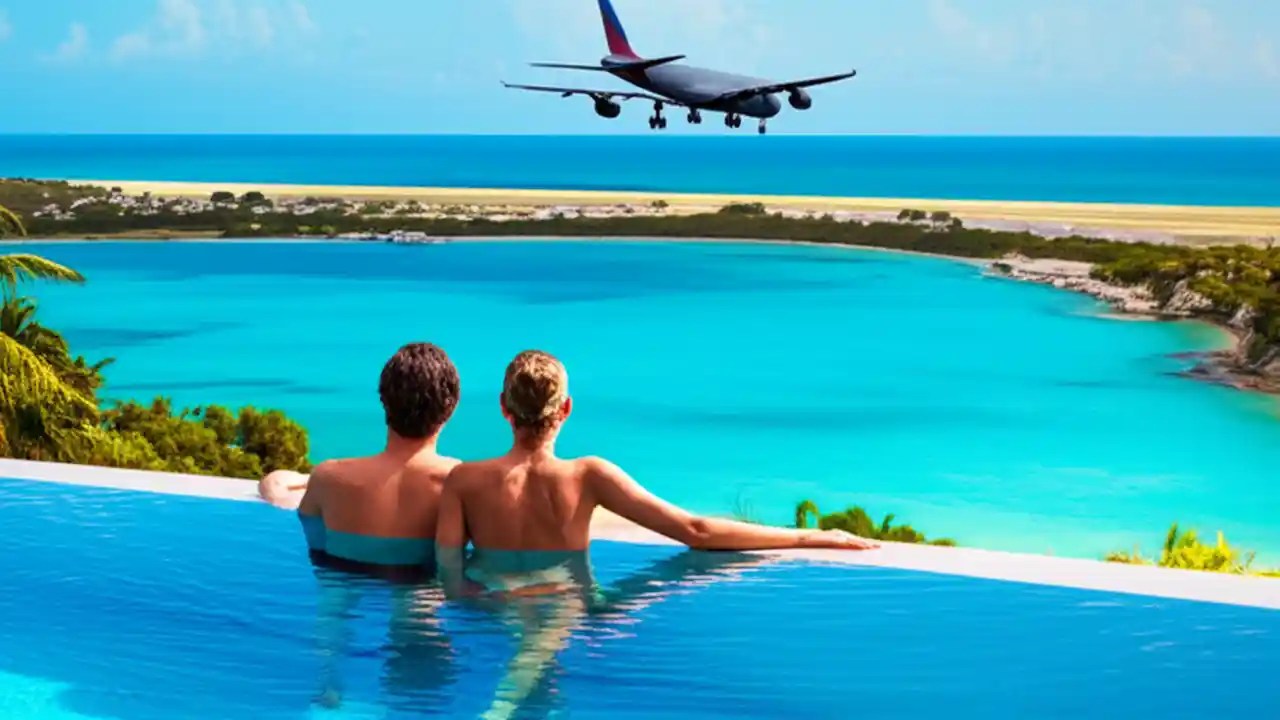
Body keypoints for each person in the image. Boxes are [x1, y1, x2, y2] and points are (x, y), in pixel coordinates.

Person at [437, 349, 878, 558]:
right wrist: (810, 536)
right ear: (566, 409)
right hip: (566, 615)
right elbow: (696, 531)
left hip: (491, 619)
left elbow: (451, 581)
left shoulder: (464, 481)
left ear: (502, 408)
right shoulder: (589, 476)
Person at [263, 342, 463, 578]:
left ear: (384, 399)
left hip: (340, 577)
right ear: (451, 406)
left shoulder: (328, 478)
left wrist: (309, 480)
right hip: (421, 585)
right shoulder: (459, 483)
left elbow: (274, 485)